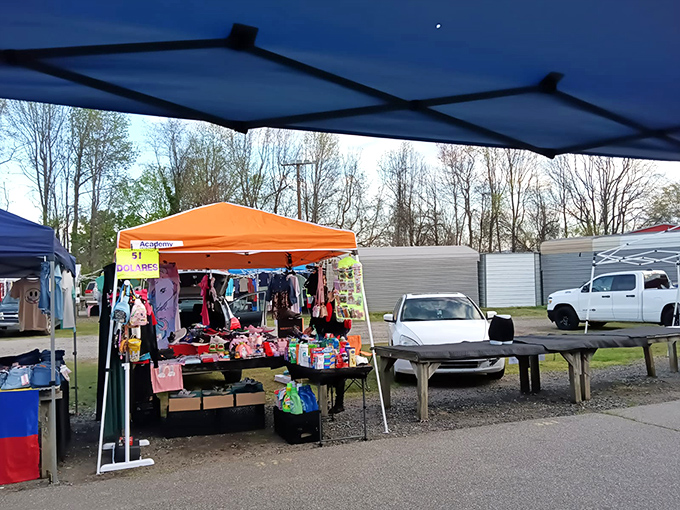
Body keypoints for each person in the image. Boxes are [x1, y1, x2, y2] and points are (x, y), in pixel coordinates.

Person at [304, 296, 350, 414]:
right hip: (323, 339)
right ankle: (325, 400)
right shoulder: (319, 298)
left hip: (337, 339)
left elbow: (345, 323)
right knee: (324, 370)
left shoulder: (339, 301)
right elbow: (316, 317)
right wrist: (311, 326)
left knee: (338, 372)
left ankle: (338, 403)